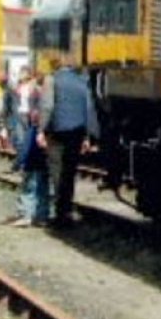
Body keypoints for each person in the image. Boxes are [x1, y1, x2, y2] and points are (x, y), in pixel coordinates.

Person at [37, 62, 99, 228]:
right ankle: (67, 210)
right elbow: (88, 108)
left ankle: (60, 213)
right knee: (69, 171)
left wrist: (41, 130)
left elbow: (47, 106)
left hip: (56, 131)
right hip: (77, 132)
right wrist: (88, 135)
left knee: (57, 171)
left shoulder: (51, 80)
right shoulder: (82, 80)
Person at [5, 68, 50, 227]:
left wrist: (17, 162)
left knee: (30, 182)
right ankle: (42, 215)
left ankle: (26, 214)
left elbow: (27, 147)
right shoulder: (45, 117)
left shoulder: (35, 124)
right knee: (43, 182)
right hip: (43, 152)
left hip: (33, 154)